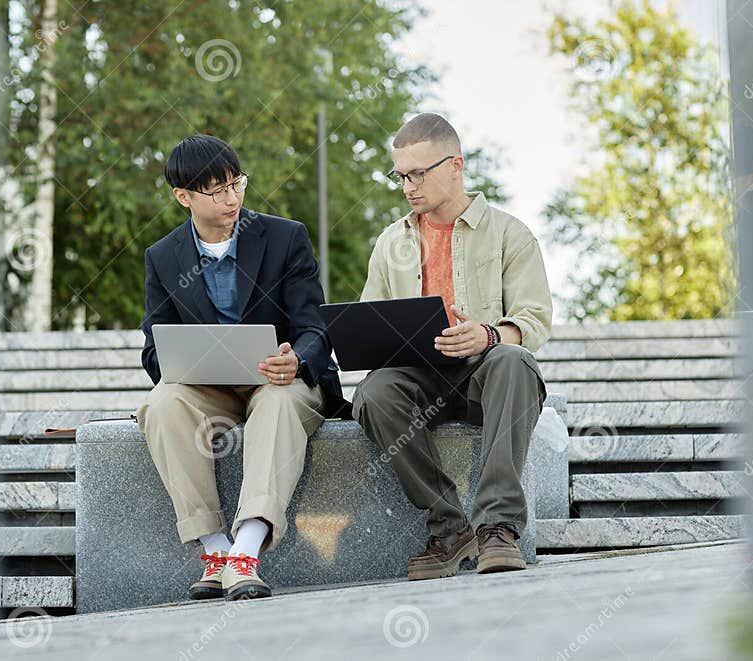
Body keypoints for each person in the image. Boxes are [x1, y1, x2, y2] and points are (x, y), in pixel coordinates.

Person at [136, 134, 347, 600]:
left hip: (282, 381)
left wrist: (298, 359)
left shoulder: (284, 237)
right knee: (162, 402)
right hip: (210, 387)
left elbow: (314, 325)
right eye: (217, 190)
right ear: (183, 197)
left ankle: (246, 551)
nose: (232, 198)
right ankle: (215, 548)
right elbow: (153, 348)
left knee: (275, 400)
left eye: (237, 184)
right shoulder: (163, 257)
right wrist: (179, 362)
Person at [353, 113, 552, 579]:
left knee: (514, 361)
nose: (408, 186)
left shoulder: (509, 233)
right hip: (418, 379)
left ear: (455, 165)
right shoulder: (390, 243)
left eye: (418, 173)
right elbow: (369, 319)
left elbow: (534, 319)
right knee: (374, 392)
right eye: (400, 175)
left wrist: (487, 335)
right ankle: (449, 528)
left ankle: (498, 527)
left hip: (487, 374)